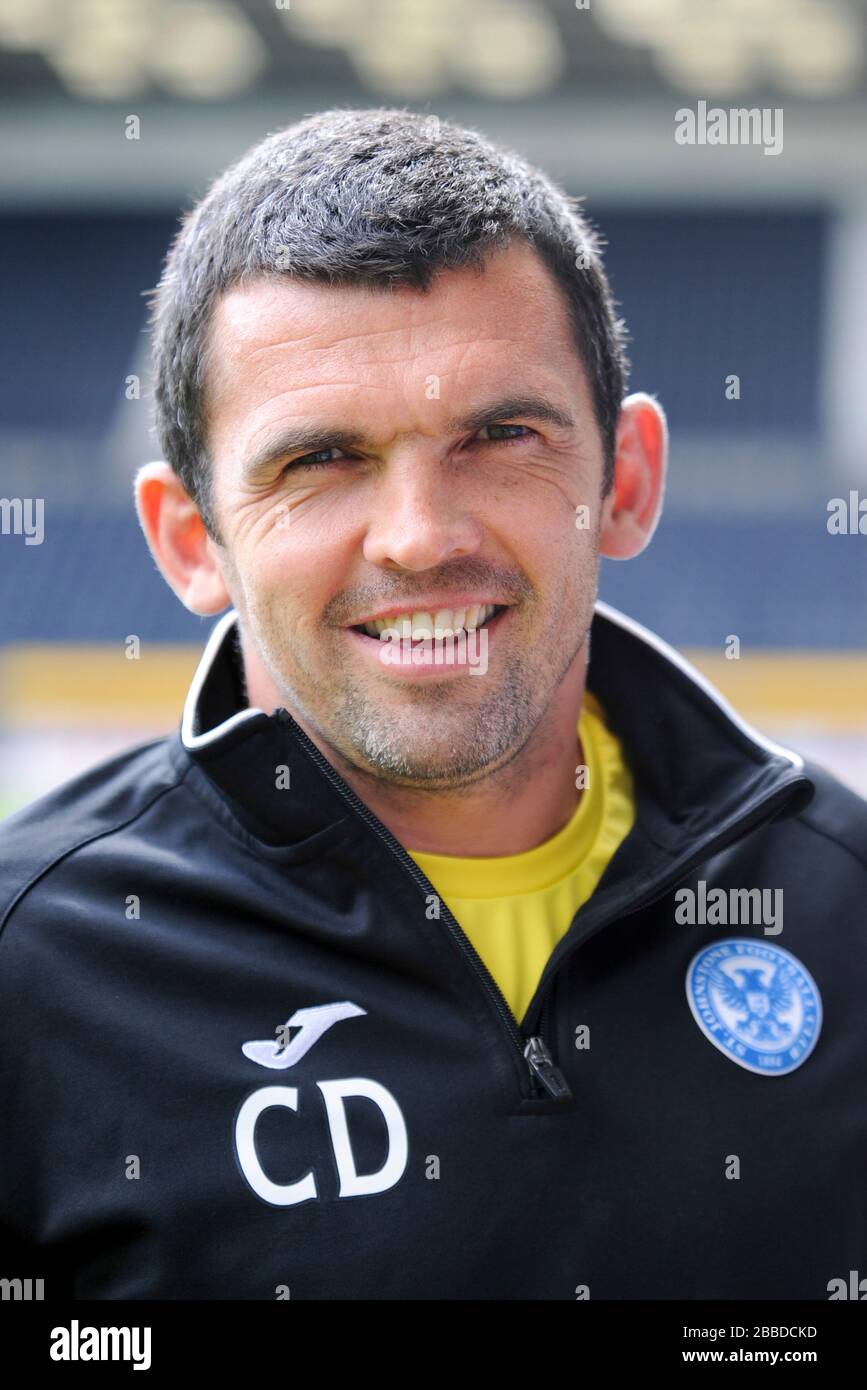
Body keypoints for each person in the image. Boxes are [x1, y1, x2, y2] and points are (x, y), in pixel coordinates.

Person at [1, 108, 865, 1301]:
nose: (421, 538)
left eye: (500, 435)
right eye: (320, 461)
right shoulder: (31, 970)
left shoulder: (847, 901)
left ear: (624, 479)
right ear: (190, 542)